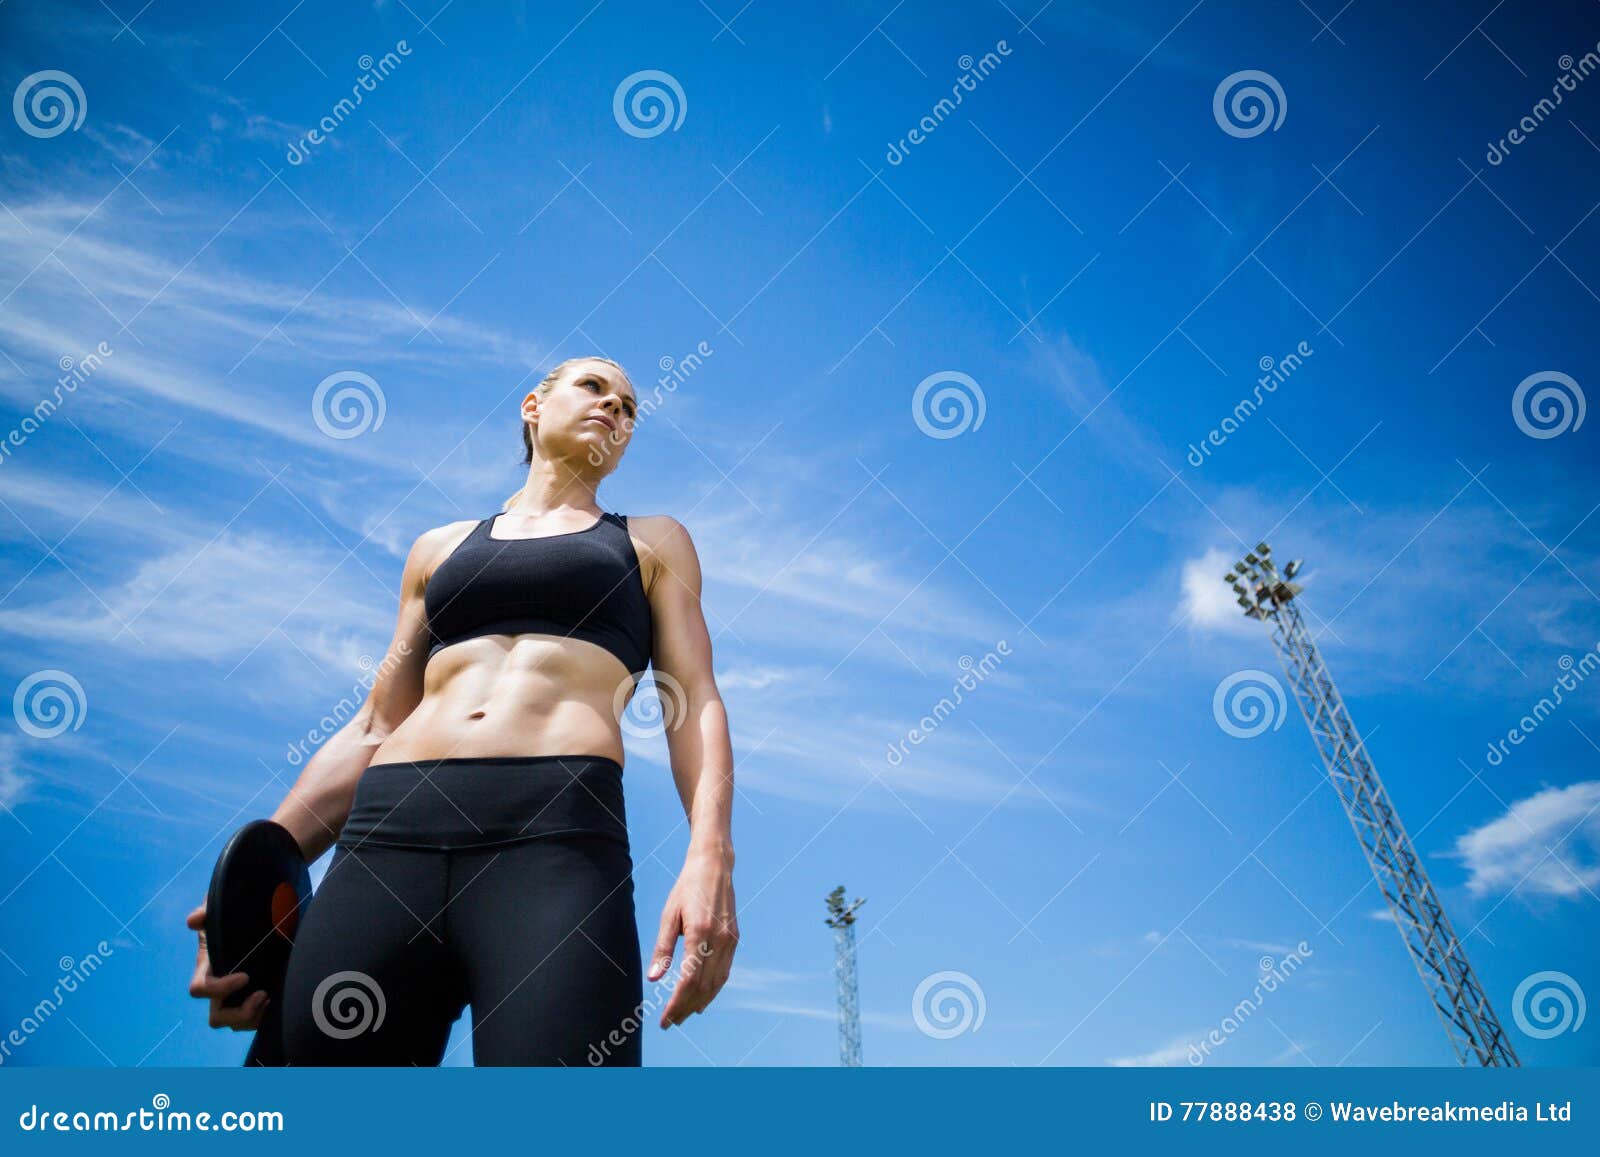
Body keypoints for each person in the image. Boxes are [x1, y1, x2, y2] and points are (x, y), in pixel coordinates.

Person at [185, 356, 738, 1065]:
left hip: (553, 841)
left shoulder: (651, 542)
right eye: (595, 387)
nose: (615, 408)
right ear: (533, 406)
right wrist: (251, 880)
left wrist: (709, 852)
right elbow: (374, 724)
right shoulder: (438, 548)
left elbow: (695, 701)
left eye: (629, 407)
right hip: (389, 836)